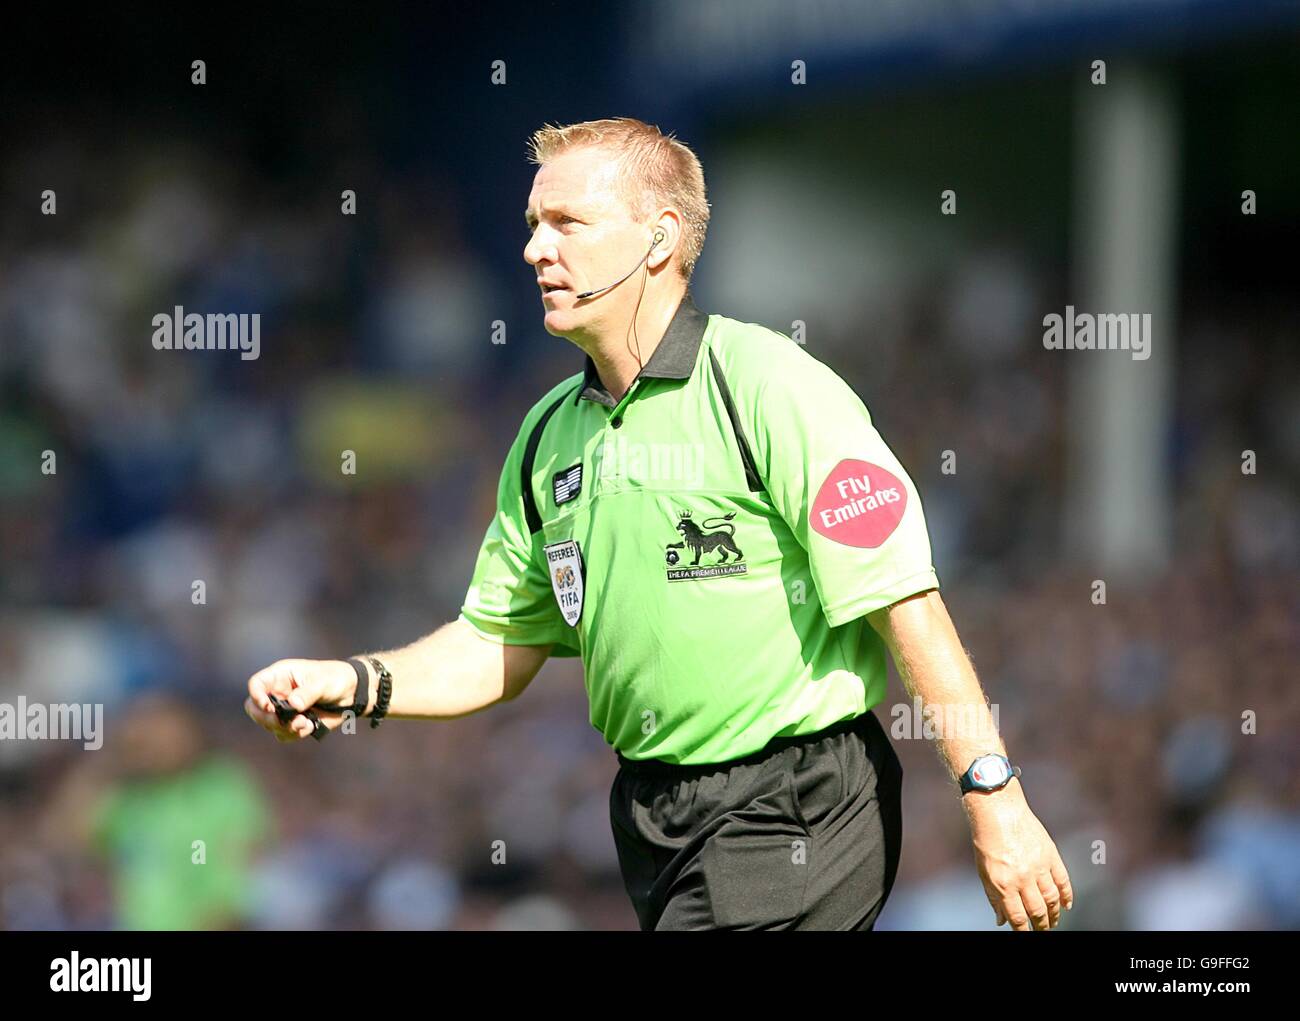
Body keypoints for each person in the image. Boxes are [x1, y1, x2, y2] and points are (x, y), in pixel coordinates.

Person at [245, 116, 1072, 931]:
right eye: (534, 225)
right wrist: (355, 683)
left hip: (795, 800)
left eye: (569, 222)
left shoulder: (767, 385)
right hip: (651, 813)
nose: (537, 248)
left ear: (658, 238)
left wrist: (994, 795)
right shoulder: (545, 436)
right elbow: (498, 640)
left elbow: (907, 604)